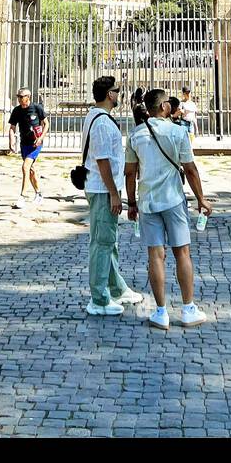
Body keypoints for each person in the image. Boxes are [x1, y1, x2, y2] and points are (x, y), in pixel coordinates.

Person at [125, 88, 212, 330]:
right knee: (182, 253)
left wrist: (131, 203)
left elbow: (130, 173)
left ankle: (161, 311)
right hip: (173, 200)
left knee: (155, 255)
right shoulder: (177, 132)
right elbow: (191, 169)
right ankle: (188, 308)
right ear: (164, 107)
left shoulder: (136, 135)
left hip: (148, 201)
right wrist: (201, 199)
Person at [81, 76, 143, 317]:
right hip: (102, 188)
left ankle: (117, 287)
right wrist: (115, 195)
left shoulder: (93, 116)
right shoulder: (104, 124)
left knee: (109, 240)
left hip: (98, 185)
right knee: (102, 243)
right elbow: (103, 161)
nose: (119, 94)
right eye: (117, 91)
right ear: (110, 94)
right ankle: (99, 298)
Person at [8, 86, 47, 208]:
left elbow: (46, 123)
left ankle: (22, 197)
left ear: (28, 97)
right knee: (31, 170)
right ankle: (39, 194)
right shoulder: (17, 111)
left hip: (35, 144)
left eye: (21, 96)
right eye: (18, 96)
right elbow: (12, 127)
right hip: (24, 144)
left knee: (25, 167)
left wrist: (41, 138)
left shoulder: (37, 108)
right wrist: (11, 140)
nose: (19, 99)